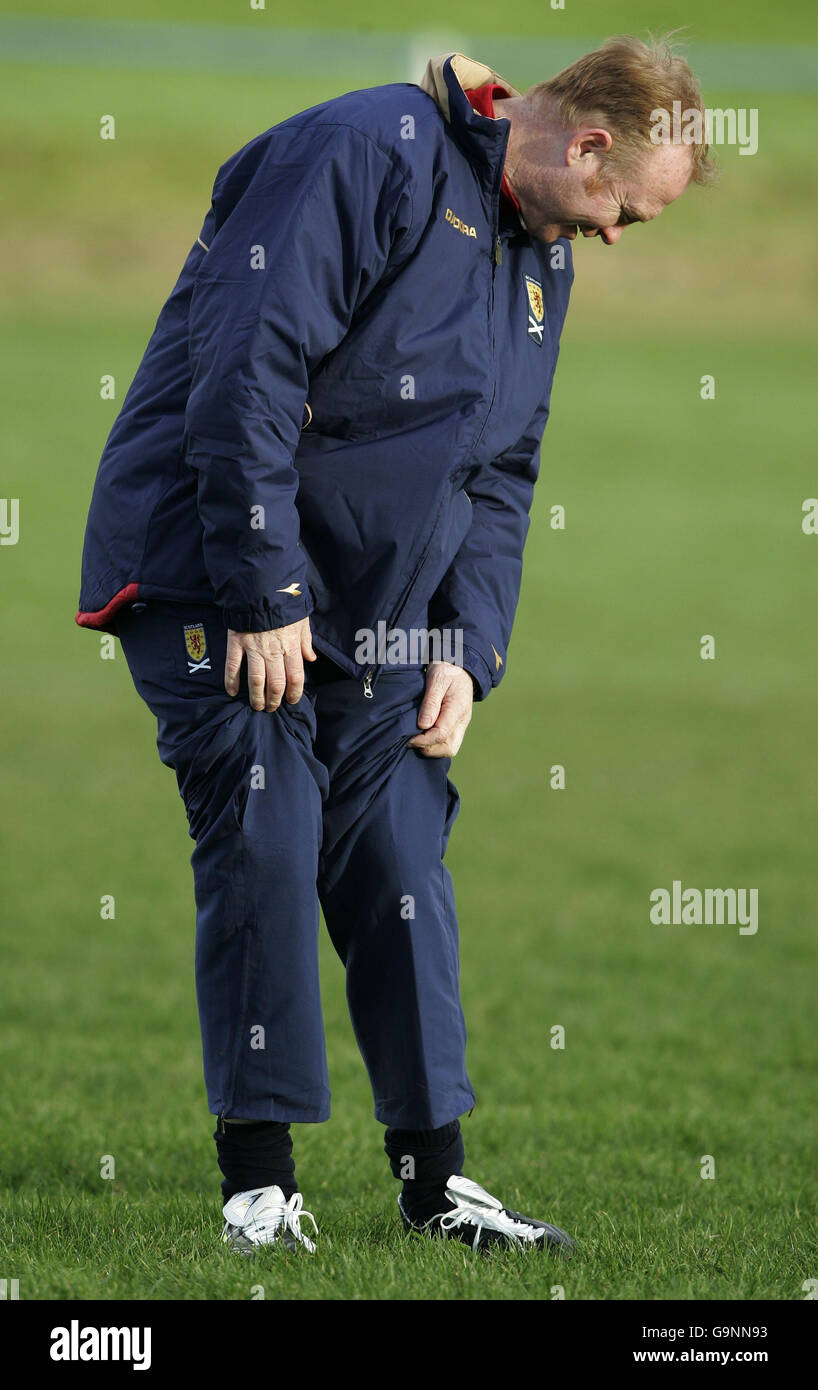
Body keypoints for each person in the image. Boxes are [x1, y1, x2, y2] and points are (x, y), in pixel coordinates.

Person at [76, 37, 712, 1255]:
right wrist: (264, 590)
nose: (616, 237)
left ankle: (436, 1188)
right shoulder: (363, 150)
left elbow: (501, 468)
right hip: (220, 569)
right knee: (269, 823)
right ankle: (259, 1189)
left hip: (380, 616)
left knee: (402, 856)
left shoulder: (541, 252)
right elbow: (243, 373)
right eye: (619, 208)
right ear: (584, 145)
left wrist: (465, 647)